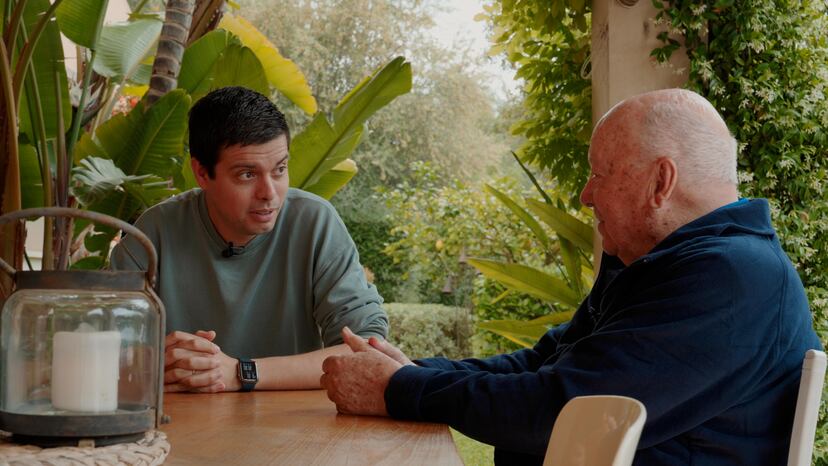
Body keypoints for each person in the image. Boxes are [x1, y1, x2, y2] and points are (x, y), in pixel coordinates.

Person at [319, 88, 822, 465]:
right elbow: (546, 363)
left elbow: (560, 411)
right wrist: (414, 372)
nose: (585, 195)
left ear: (660, 182)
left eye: (599, 173)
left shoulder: (732, 277)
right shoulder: (667, 263)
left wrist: (400, 389)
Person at [111, 86, 388, 394]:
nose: (269, 193)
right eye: (247, 175)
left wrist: (241, 372)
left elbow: (367, 350)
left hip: (294, 430)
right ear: (202, 173)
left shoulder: (315, 223)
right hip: (182, 428)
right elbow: (105, 350)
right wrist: (156, 362)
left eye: (280, 170)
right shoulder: (154, 231)